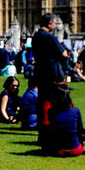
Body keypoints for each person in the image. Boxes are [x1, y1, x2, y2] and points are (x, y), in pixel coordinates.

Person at [31, 13, 71, 141]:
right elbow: (63, 53)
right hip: (53, 74)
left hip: (40, 73)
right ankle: (56, 129)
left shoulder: (35, 37)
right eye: (54, 22)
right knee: (57, 102)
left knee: (42, 102)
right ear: (49, 23)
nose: (55, 25)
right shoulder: (50, 37)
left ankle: (42, 131)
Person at [42, 84, 85, 156]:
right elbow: (80, 129)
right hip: (75, 149)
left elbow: (53, 130)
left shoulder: (51, 111)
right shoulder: (75, 111)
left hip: (57, 149)